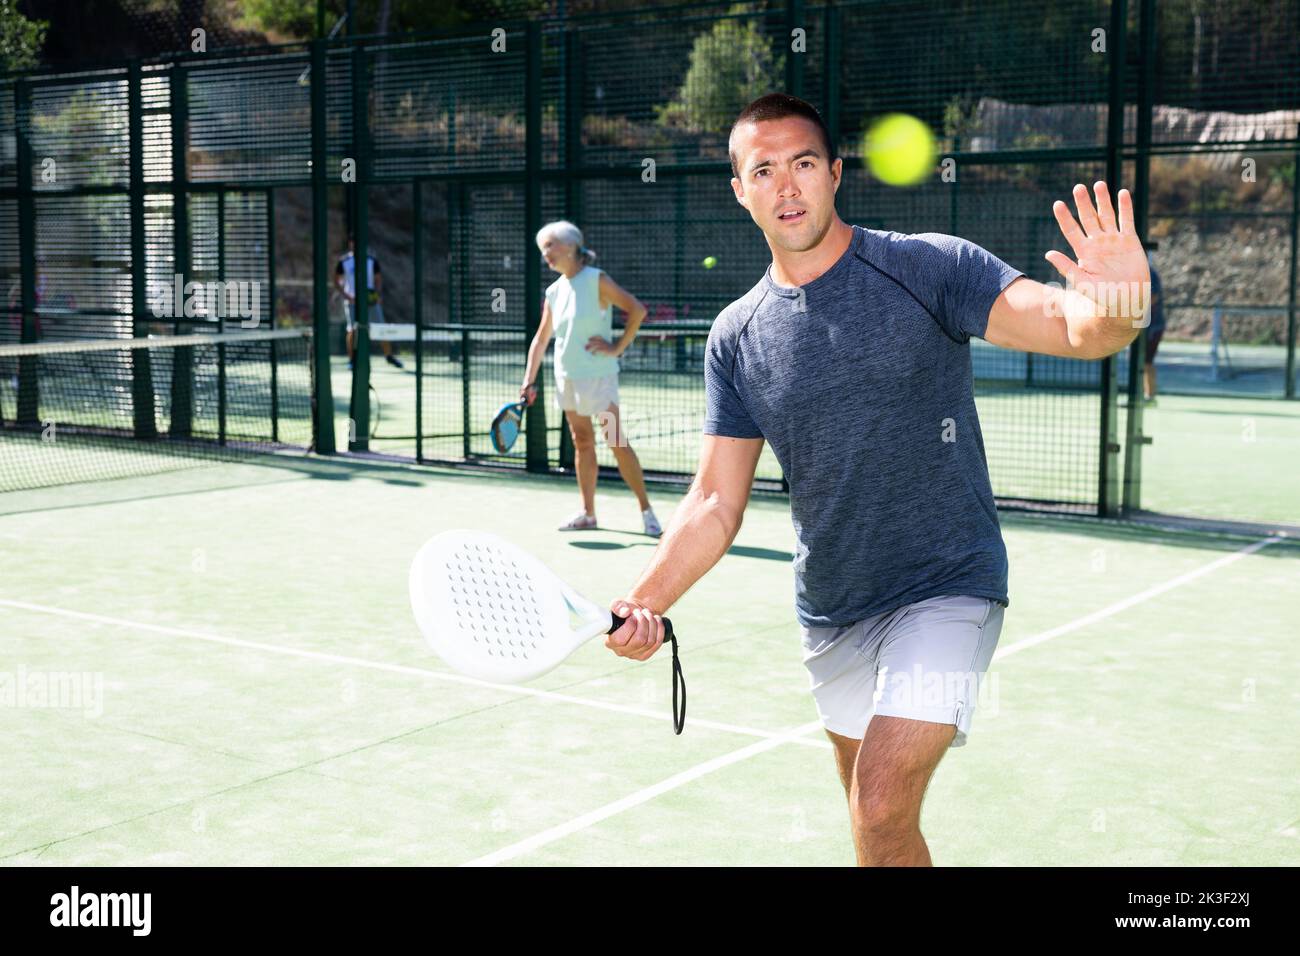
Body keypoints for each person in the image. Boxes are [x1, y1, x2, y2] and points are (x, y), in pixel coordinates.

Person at [603, 93, 1149, 866]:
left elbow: (1070, 325)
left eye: (801, 164)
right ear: (740, 189)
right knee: (874, 828)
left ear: (833, 174)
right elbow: (717, 502)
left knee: (882, 800)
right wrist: (646, 600)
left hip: (946, 583)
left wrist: (1120, 305)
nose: (786, 186)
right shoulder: (735, 336)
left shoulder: (930, 267)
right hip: (832, 610)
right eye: (764, 170)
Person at [521, 221, 663, 537]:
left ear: (571, 246)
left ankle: (646, 511)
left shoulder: (596, 280)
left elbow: (636, 310)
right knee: (582, 442)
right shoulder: (554, 291)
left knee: (615, 440)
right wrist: (528, 380)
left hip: (599, 380)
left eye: (550, 246)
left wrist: (616, 348)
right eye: (543, 248)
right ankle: (588, 513)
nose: (546, 253)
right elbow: (541, 339)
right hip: (567, 378)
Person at [335, 236, 403, 372]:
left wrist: (376, 295)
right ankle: (352, 360)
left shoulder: (372, 261)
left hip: (370, 302)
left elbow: (378, 280)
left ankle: (389, 356)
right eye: (354, 242)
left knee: (380, 328)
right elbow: (337, 281)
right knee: (352, 330)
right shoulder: (344, 262)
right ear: (350, 243)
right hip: (352, 302)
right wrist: (348, 296)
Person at [1142, 244, 1164, 405]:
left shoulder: (1150, 273)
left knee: (1146, 362)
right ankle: (1145, 394)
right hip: (1141, 326)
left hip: (1153, 326)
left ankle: (1150, 396)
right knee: (1142, 362)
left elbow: (1153, 296)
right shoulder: (1133, 273)